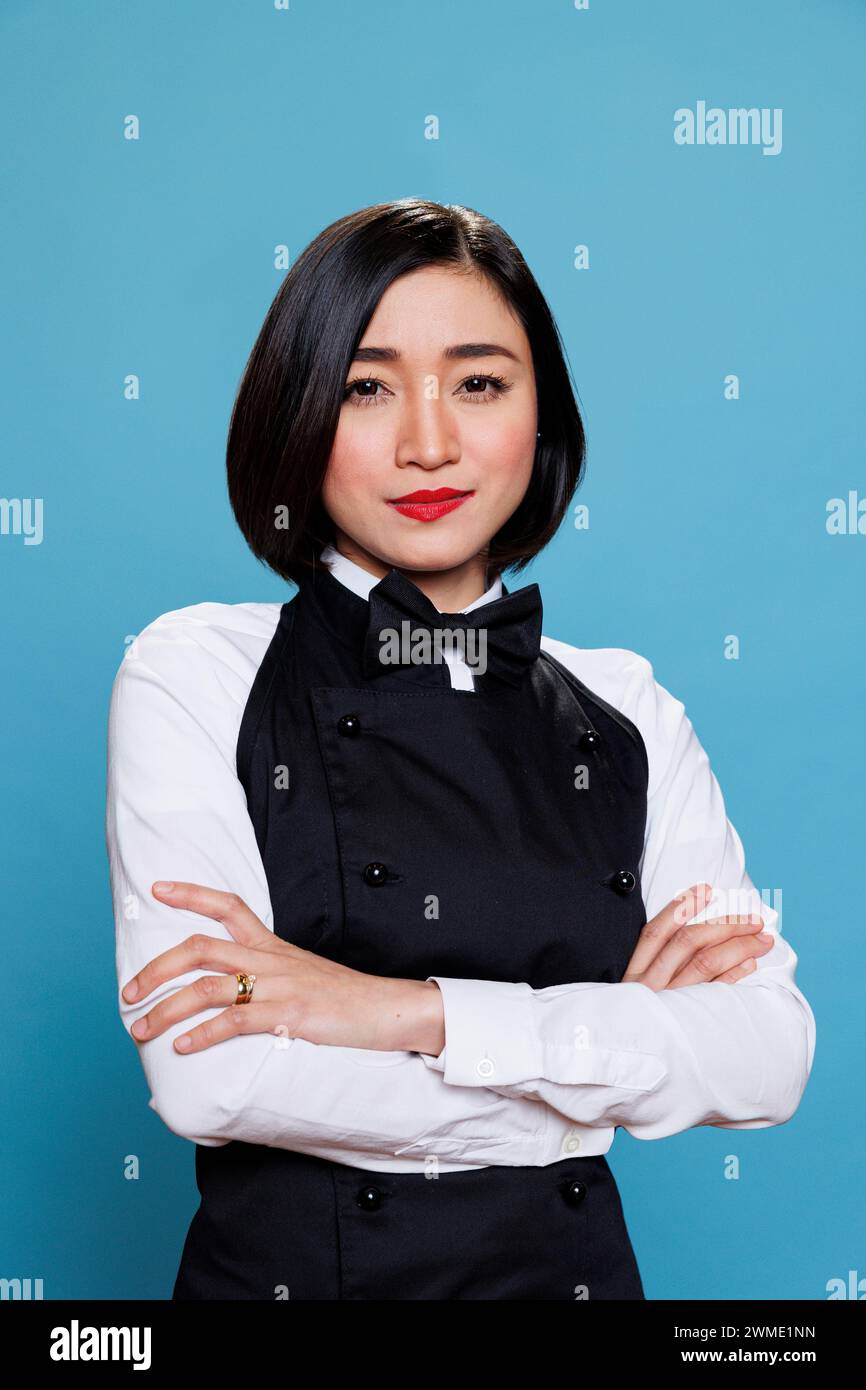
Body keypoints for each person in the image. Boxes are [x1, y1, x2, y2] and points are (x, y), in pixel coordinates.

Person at [105, 197, 815, 1301]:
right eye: (365, 386)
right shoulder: (193, 669)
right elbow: (214, 1077)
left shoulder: (626, 705)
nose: (427, 442)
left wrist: (402, 1012)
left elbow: (767, 1053)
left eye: (477, 382)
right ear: (297, 413)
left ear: (542, 415)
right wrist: (597, 1070)